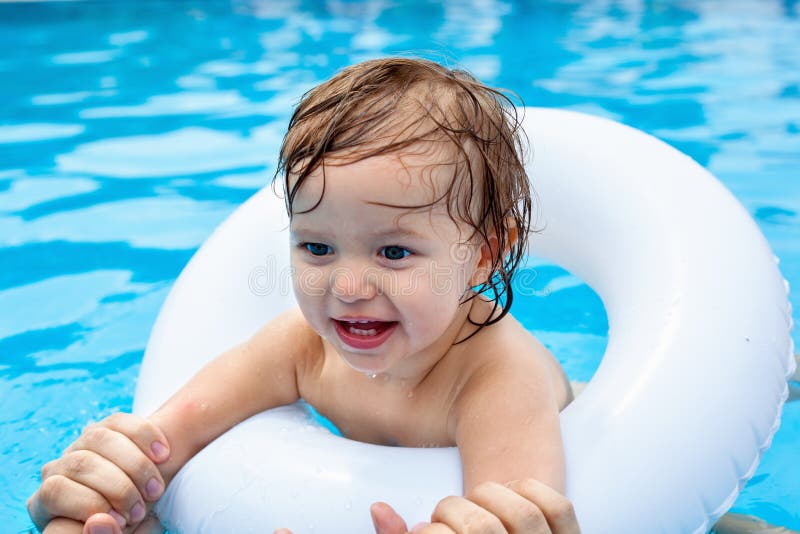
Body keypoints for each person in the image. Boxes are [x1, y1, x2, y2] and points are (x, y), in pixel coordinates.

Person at [27, 57, 579, 534]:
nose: (347, 288)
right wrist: (99, 494)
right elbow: (161, 446)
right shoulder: (301, 346)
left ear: (483, 253)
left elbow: (511, 516)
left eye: (394, 253)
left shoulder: (497, 381)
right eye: (317, 246)